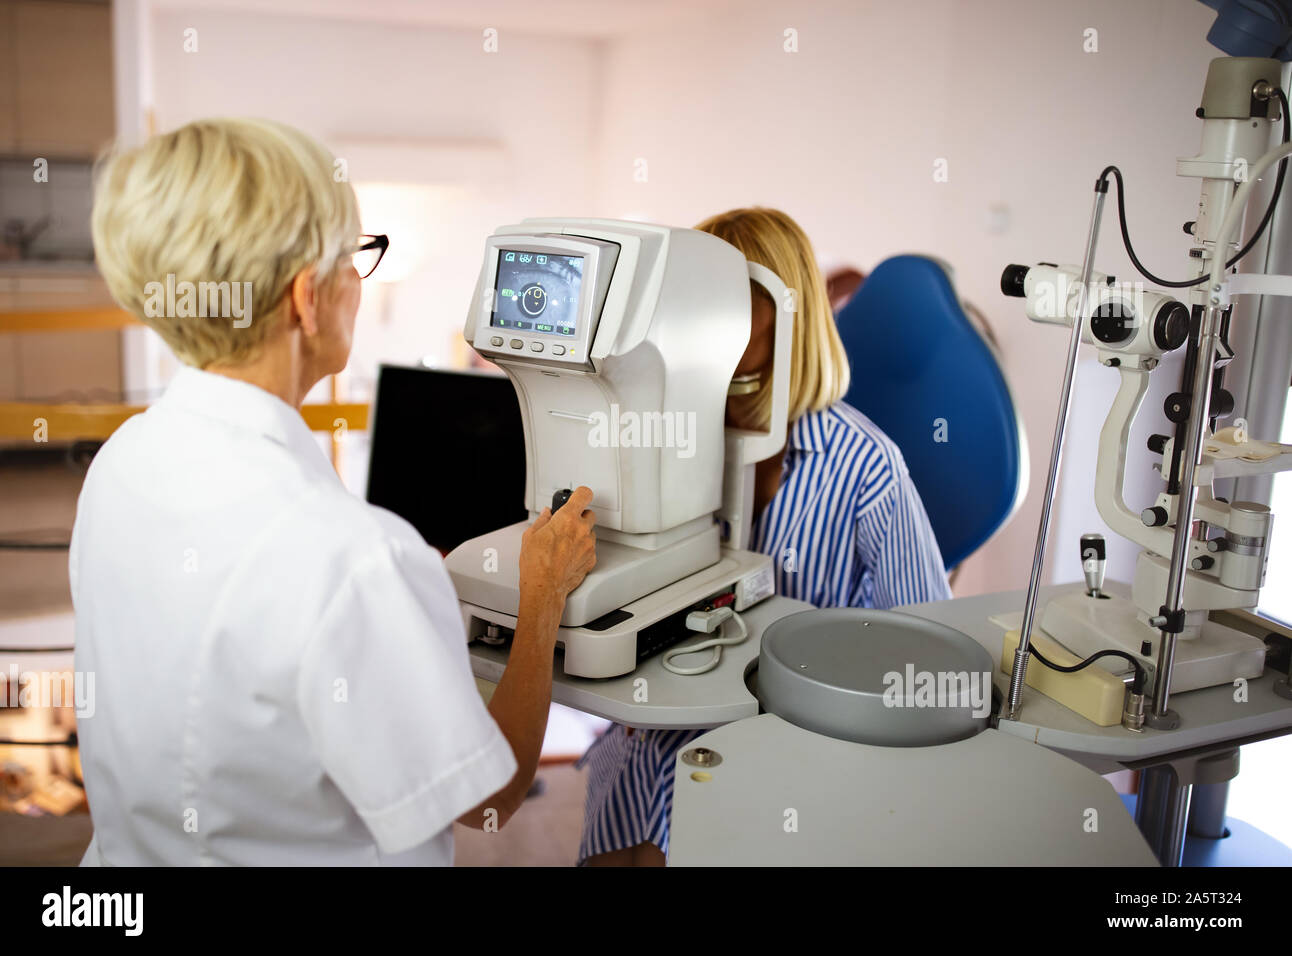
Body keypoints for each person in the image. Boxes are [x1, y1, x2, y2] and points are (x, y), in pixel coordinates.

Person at [74, 117, 596, 865]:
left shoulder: (121, 461)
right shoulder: (354, 557)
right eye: (356, 254)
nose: (360, 277)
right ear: (306, 299)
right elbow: (488, 800)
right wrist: (541, 598)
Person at [577, 207, 951, 866]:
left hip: (796, 744)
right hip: (659, 718)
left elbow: (929, 649)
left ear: (787, 313)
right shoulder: (669, 437)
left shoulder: (865, 467)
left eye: (729, 303)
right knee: (630, 804)